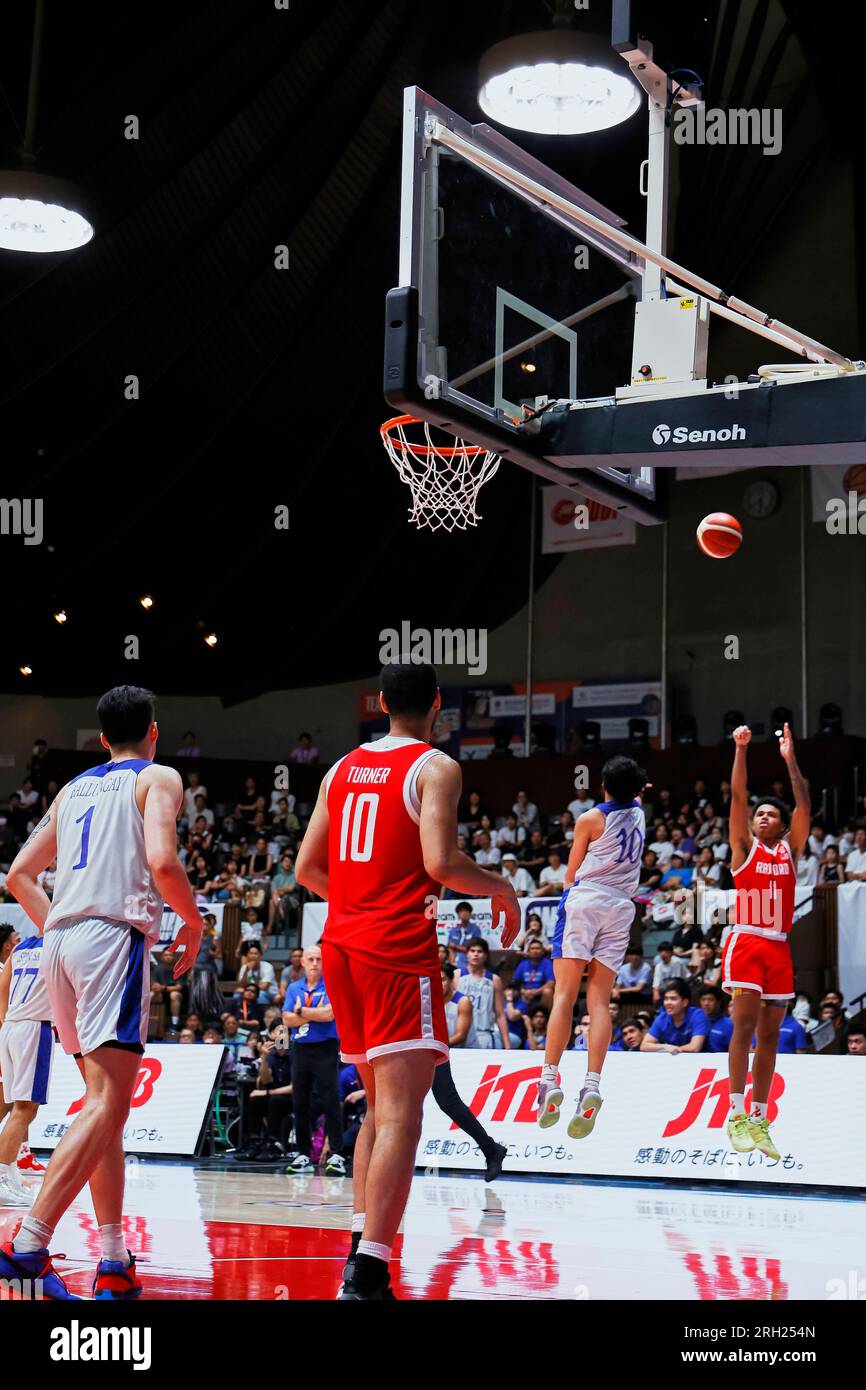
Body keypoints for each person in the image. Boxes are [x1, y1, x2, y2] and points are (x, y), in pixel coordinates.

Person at [295, 663, 519, 1301]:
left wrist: (361, 904)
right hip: (395, 953)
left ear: (382, 705)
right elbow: (441, 864)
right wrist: (502, 884)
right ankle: (368, 1270)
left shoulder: (339, 769)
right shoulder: (435, 767)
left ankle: (363, 1242)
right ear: (437, 705)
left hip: (339, 947)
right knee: (400, 1117)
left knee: (376, 1109)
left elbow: (306, 869)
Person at [0, 685, 203, 1300]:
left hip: (57, 940)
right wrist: (194, 925)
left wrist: (61, 924)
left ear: (102, 736)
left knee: (104, 1105)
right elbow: (164, 862)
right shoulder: (159, 778)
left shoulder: (72, 789)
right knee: (109, 1101)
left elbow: (17, 875)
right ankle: (30, 1243)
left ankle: (113, 1259)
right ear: (154, 730)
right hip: (110, 937)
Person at [538, 756, 646, 1137]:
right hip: (621, 907)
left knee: (564, 996)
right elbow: (635, 795)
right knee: (599, 1000)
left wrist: (572, 893)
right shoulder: (639, 815)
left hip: (588, 899)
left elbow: (569, 874)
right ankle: (593, 1085)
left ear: (603, 784)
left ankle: (549, 1081)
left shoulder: (589, 819)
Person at [722, 722, 810, 1159]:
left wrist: (790, 759)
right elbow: (738, 797)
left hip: (779, 946)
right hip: (747, 944)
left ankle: (759, 1119)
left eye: (771, 814)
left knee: (772, 1037)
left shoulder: (791, 849)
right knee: (744, 1027)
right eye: (760, 814)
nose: (763, 816)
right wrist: (741, 749)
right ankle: (734, 1115)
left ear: (781, 825)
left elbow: (804, 803)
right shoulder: (744, 847)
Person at [434, 966, 507, 1180]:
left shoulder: (459, 1000)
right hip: (413, 1044)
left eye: (443, 979)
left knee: (448, 1103)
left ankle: (491, 1149)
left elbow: (461, 1035)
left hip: (438, 1045)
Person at [0, 930, 54, 1206]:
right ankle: (1, 1177)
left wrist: (6, 1020)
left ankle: (10, 1176)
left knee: (12, 1105)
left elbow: (3, 984)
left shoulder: (20, 948)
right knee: (25, 1109)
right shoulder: (59, 943)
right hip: (34, 1027)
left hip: (10, 1026)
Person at [282, 945, 345, 1175]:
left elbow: (329, 1014)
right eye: (311, 959)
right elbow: (286, 1020)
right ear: (303, 963)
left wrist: (301, 1012)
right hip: (300, 1048)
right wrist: (311, 1013)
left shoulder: (330, 985)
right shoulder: (293, 987)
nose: (315, 963)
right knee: (300, 1101)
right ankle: (303, 1154)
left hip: (325, 1047)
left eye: (319, 959)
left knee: (330, 1100)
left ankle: (337, 1153)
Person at [458, 938, 512, 1050]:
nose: (476, 954)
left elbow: (500, 1014)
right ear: (467, 954)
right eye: (472, 951)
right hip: (460, 1034)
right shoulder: (457, 975)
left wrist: (507, 1044)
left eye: (479, 951)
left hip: (483, 1034)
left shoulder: (494, 979)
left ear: (486, 955)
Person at [641, 981, 709, 1053]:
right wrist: (665, 1047)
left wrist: (675, 1050)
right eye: (666, 999)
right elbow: (644, 1045)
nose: (668, 1003)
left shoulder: (698, 1015)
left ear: (685, 1002)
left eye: (673, 999)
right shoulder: (662, 1018)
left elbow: (695, 1047)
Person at [512, 938, 555, 1011]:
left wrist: (534, 992)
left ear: (542, 951)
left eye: (538, 948)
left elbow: (551, 983)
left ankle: (547, 1018)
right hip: (525, 994)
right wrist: (523, 991)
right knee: (510, 992)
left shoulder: (547, 963)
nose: (535, 950)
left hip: (540, 994)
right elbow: (515, 981)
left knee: (548, 991)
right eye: (532, 948)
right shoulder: (523, 964)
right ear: (528, 952)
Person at [697, 986, 734, 1052]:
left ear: (718, 1002)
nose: (706, 1003)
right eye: (703, 1000)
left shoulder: (728, 1024)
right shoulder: (696, 1021)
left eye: (710, 1000)